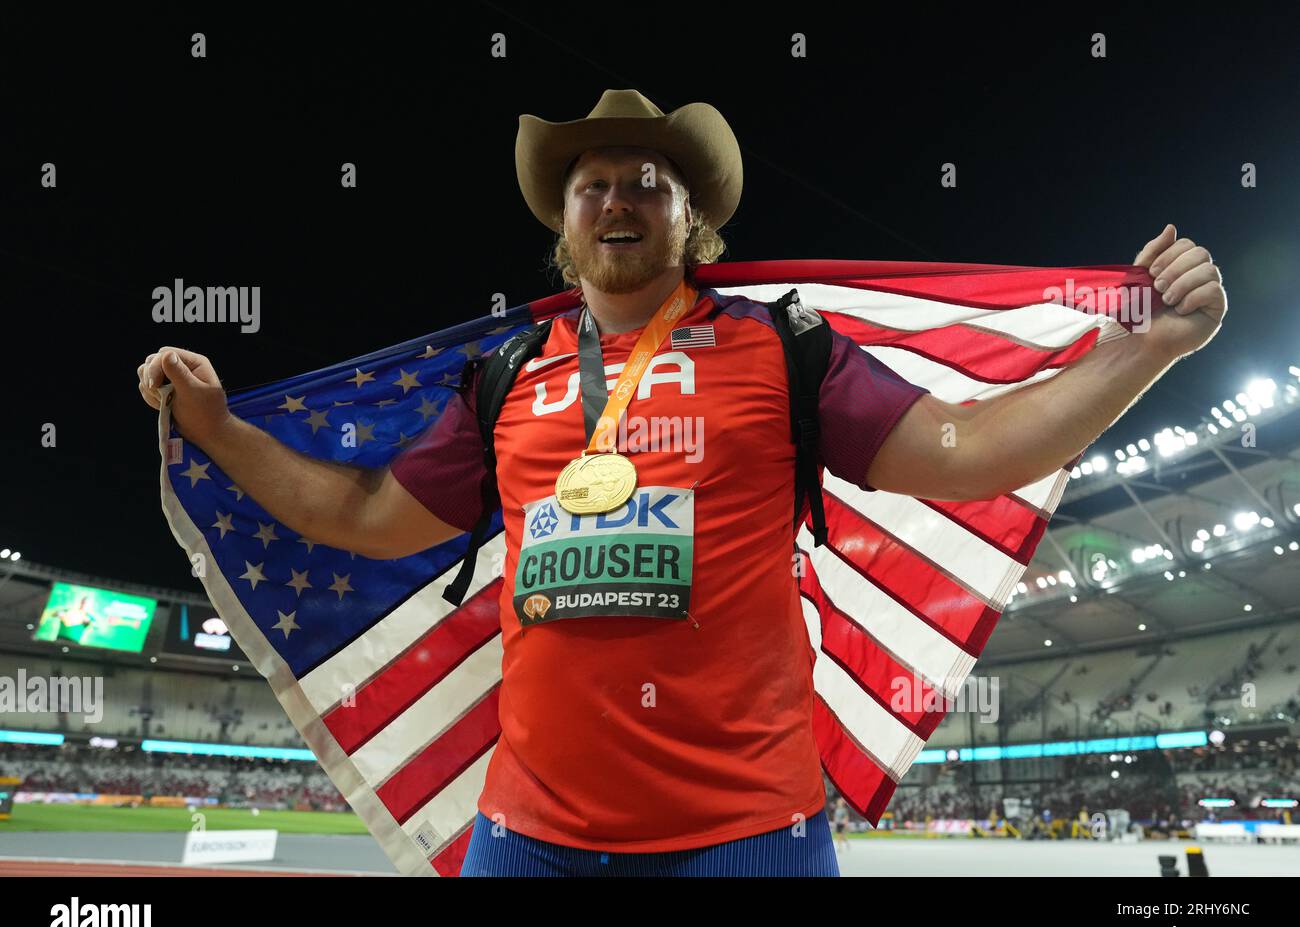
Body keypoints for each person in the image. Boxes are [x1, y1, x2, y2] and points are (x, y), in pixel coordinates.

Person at [136, 89, 1227, 876]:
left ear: (687, 218)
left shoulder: (783, 351)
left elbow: (966, 452)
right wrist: (219, 427)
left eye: (646, 184)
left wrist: (1150, 347)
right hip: (530, 841)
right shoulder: (505, 375)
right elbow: (362, 517)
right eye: (592, 185)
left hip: (749, 838)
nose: (618, 200)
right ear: (564, 226)